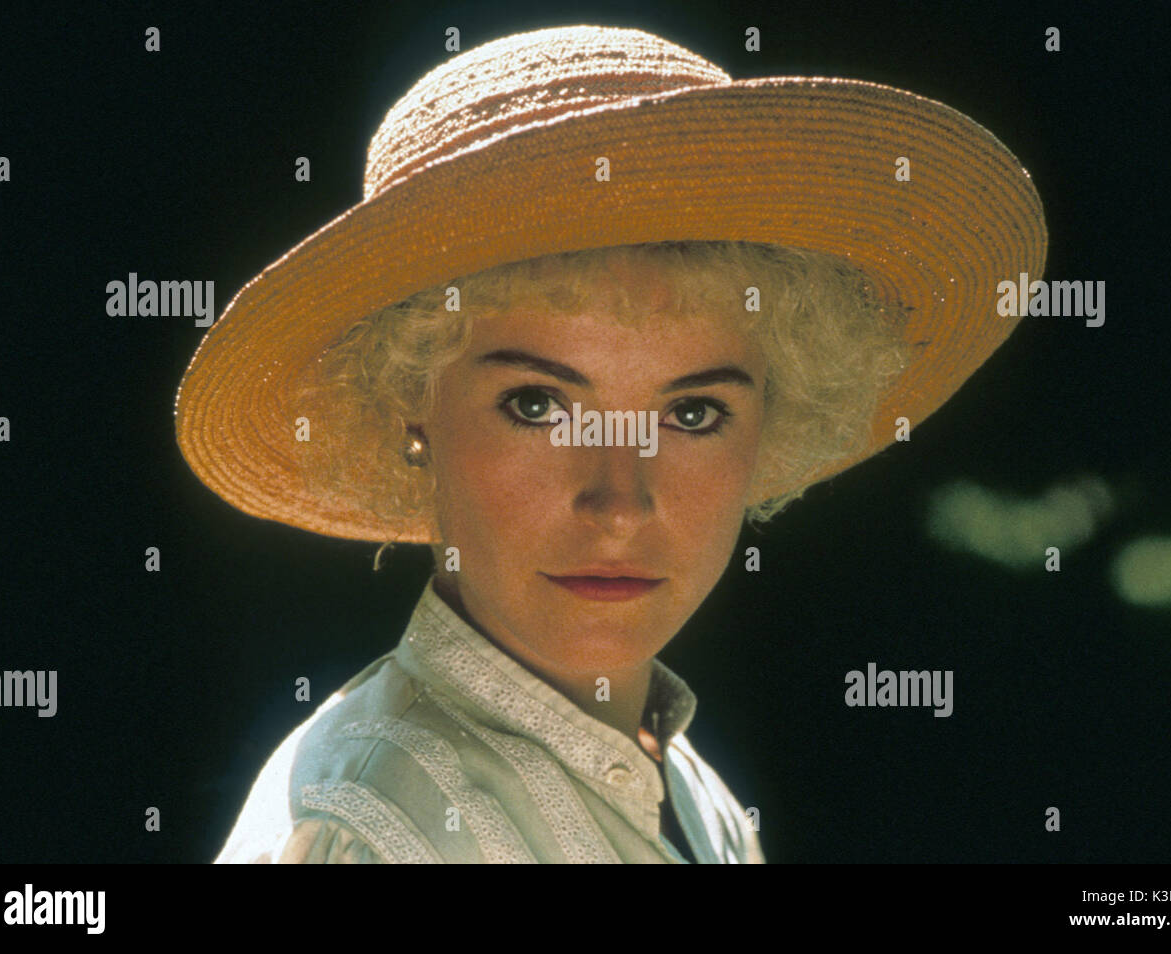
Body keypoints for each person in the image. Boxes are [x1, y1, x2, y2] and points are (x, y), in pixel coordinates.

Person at [175, 25, 1046, 863]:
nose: (620, 502)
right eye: (538, 404)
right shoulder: (379, 833)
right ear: (410, 405)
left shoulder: (692, 792)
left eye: (694, 414)